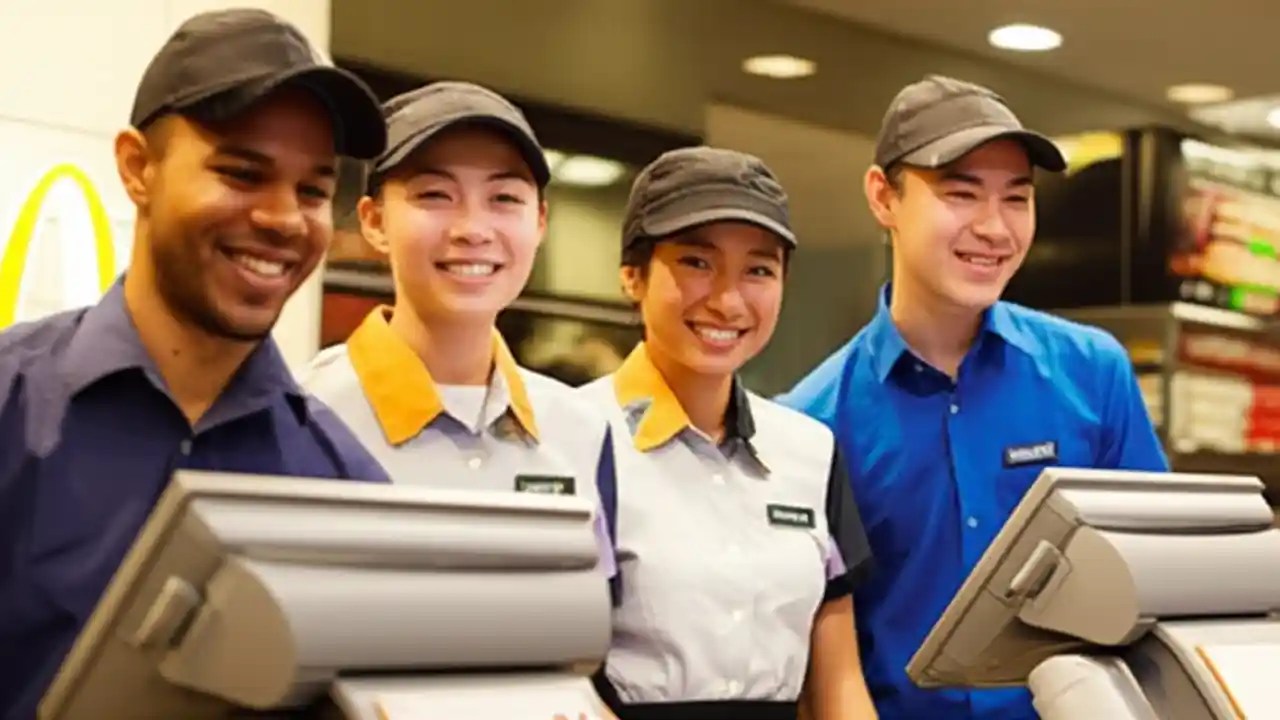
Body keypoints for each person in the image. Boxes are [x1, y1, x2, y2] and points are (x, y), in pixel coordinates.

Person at [0, 9, 391, 719]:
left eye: (312, 190)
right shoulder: (10, 403)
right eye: (242, 173)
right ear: (136, 167)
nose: (282, 218)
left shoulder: (344, 482)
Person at [778, 75, 1169, 720]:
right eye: (961, 194)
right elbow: (821, 662)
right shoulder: (811, 424)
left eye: (1017, 199)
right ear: (884, 197)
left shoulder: (1093, 373)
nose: (994, 228)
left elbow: (1160, 578)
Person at [578, 146, 878, 720]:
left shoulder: (809, 451)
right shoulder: (571, 439)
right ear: (631, 275)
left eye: (759, 270)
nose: (728, 299)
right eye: (697, 262)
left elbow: (837, 683)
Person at [302, 82, 617, 584]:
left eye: (504, 198)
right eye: (435, 195)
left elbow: (588, 627)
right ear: (374, 220)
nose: (473, 228)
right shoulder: (304, 418)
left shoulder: (580, 429)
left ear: (539, 223)